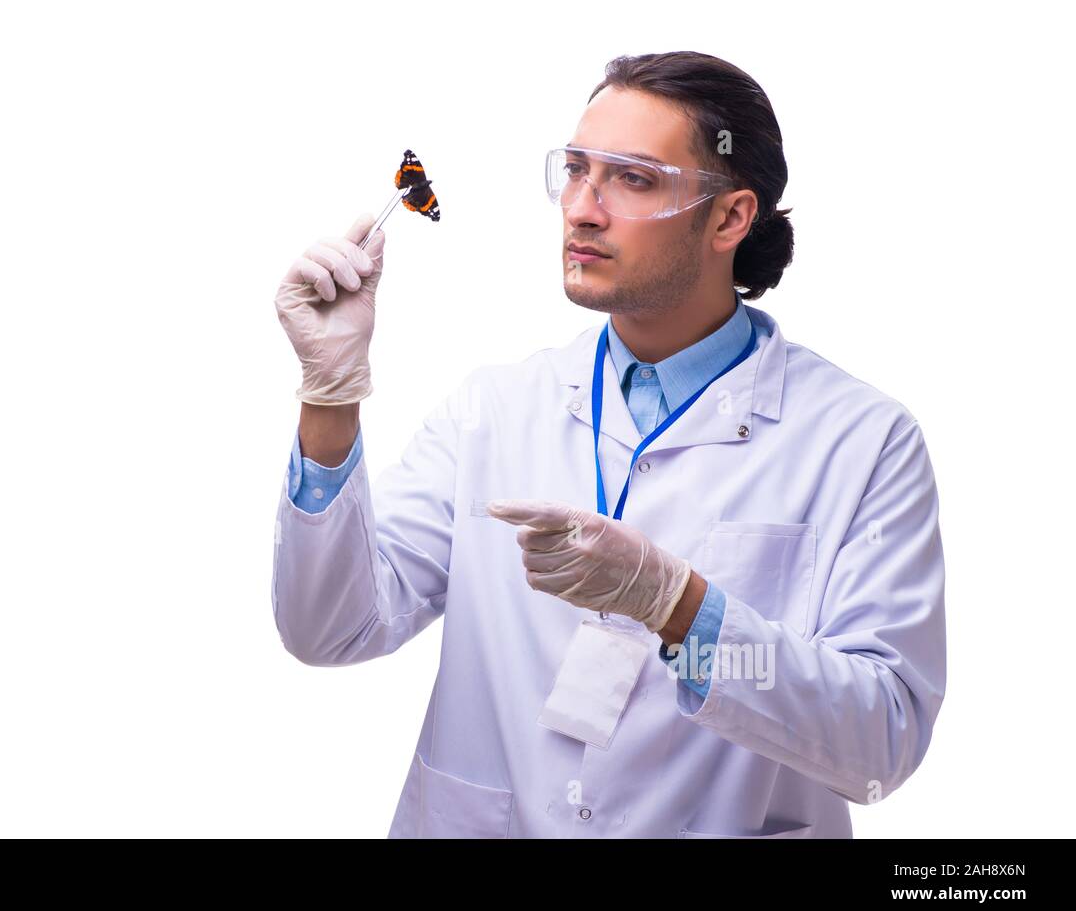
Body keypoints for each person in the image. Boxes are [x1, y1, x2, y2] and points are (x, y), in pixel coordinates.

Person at [271, 51, 946, 838]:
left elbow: (883, 740)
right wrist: (330, 398)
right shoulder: (494, 410)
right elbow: (328, 628)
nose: (582, 209)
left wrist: (680, 607)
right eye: (578, 170)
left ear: (730, 217)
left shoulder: (863, 441)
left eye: (632, 178)